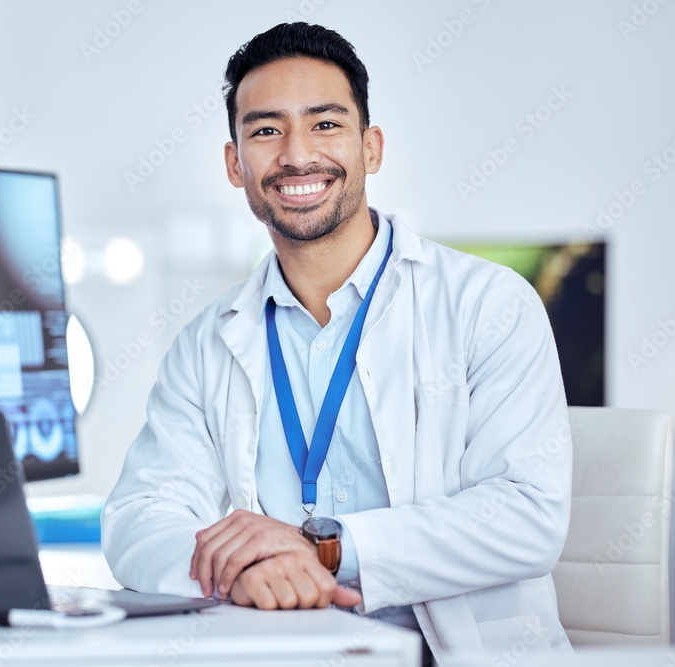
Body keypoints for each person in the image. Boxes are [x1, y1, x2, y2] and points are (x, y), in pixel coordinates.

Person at [102, 22, 573, 663]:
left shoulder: (489, 303)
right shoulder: (206, 343)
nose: (297, 155)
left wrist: (328, 548)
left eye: (325, 124)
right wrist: (238, 567)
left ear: (370, 147)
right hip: (286, 651)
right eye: (267, 130)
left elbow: (527, 517)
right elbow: (139, 515)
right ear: (235, 164)